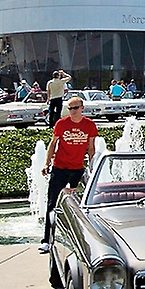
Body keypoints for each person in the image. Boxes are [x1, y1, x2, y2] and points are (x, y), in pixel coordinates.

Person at [40, 95, 97, 253]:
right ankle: (47, 240)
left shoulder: (89, 125)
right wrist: (46, 163)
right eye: (70, 108)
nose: (72, 111)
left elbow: (91, 148)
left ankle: (81, 241)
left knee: (81, 206)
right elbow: (53, 144)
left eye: (75, 108)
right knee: (52, 204)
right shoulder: (62, 123)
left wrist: (93, 167)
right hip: (60, 168)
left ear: (82, 108)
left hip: (77, 170)